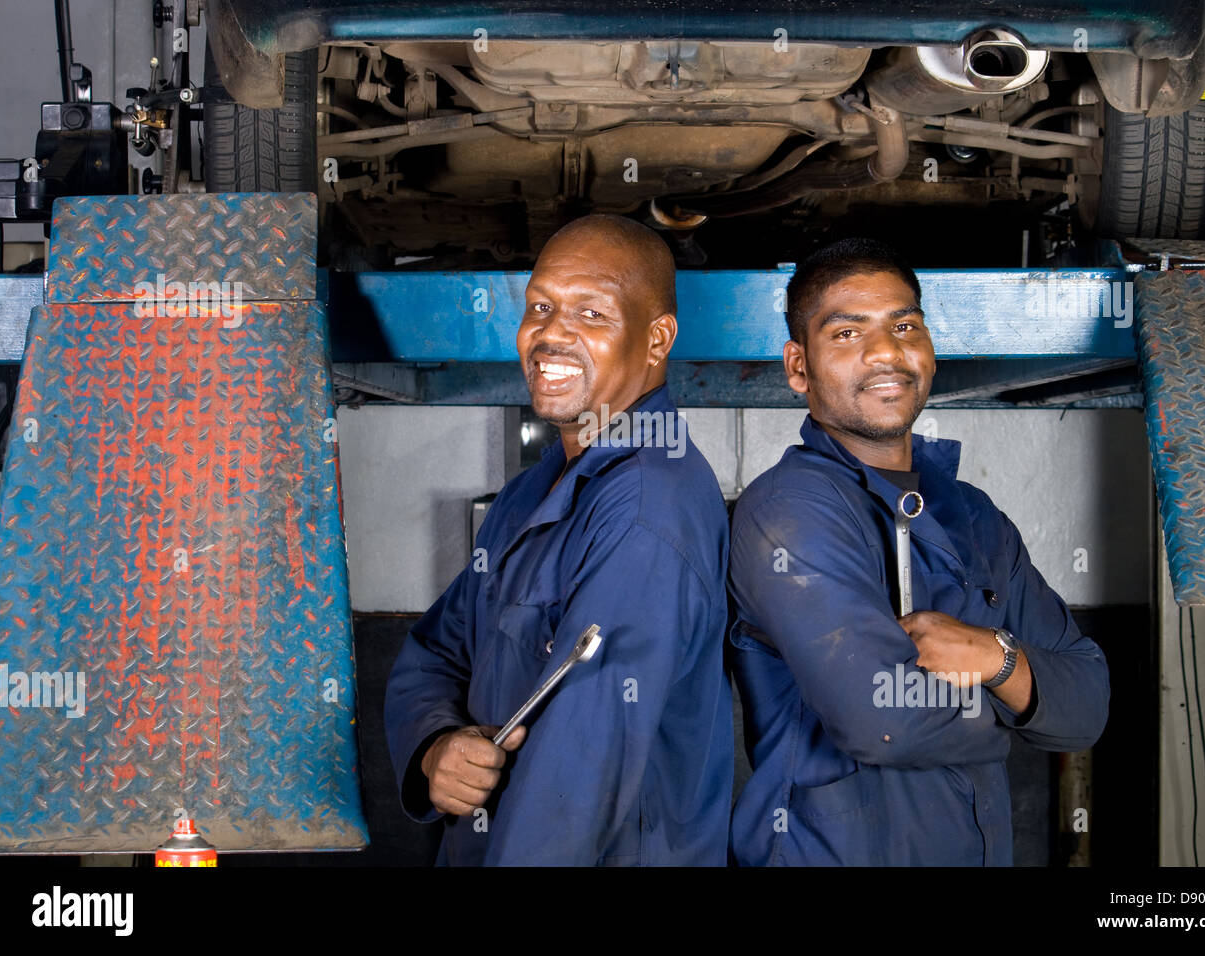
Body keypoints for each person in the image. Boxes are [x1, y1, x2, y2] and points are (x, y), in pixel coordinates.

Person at [727, 237, 1110, 866]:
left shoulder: (974, 517)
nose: (886, 352)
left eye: (905, 325)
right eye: (847, 333)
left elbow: (1087, 707)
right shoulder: (788, 512)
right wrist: (1018, 697)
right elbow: (880, 719)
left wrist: (994, 657)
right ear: (799, 367)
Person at [384, 214, 732, 865]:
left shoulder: (650, 505)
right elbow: (437, 650)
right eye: (540, 306)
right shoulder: (531, 492)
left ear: (657, 340)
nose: (551, 334)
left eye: (591, 314)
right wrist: (435, 745)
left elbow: (579, 769)